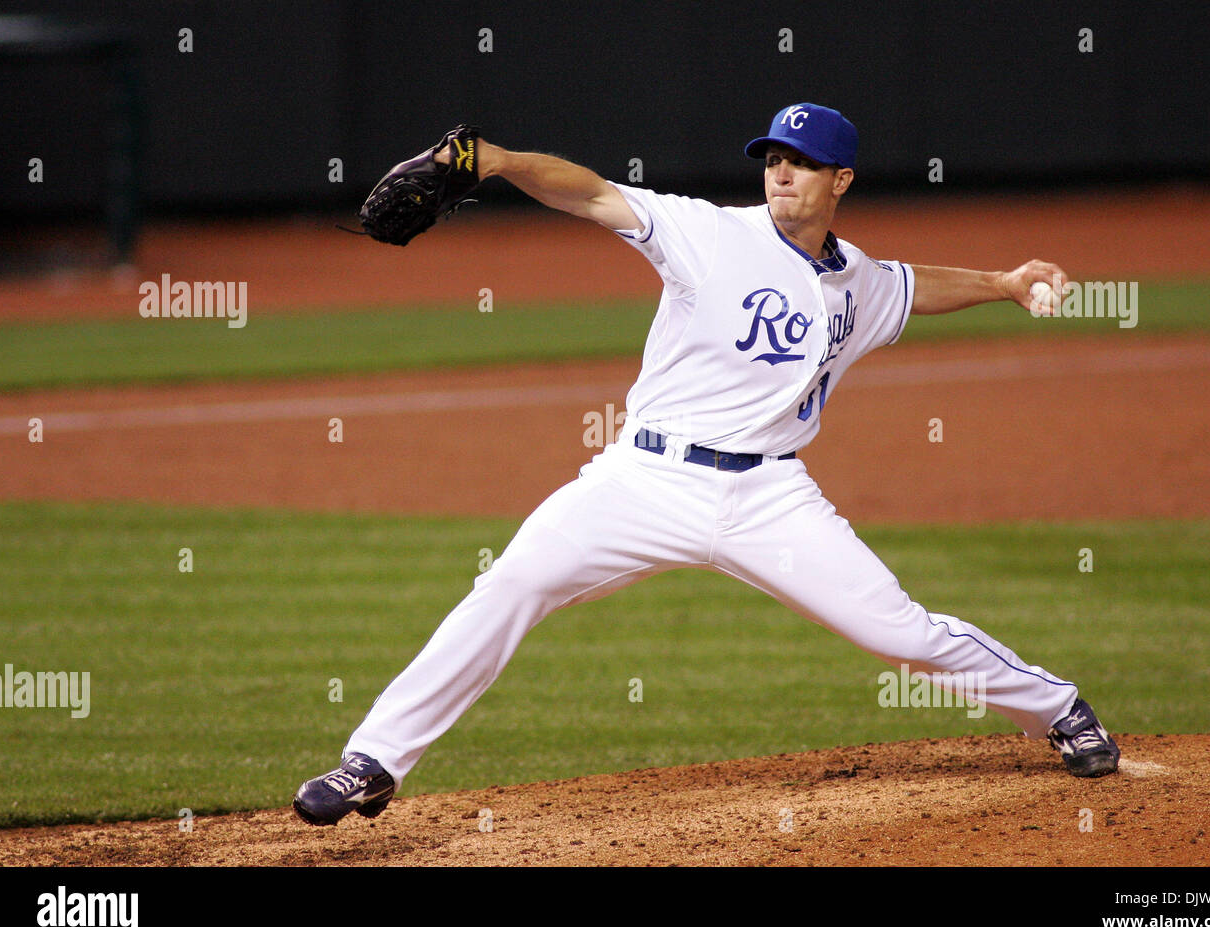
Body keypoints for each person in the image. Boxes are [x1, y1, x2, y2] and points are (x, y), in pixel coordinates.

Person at [293, 102, 1120, 827]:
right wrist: (495, 161)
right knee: (510, 585)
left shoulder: (855, 278)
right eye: (773, 159)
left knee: (896, 629)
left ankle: (1058, 709)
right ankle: (372, 762)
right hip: (643, 482)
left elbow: (913, 286)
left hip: (769, 496)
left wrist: (1006, 282)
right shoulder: (709, 232)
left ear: (842, 181)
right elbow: (585, 190)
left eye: (801, 164)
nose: (781, 173)